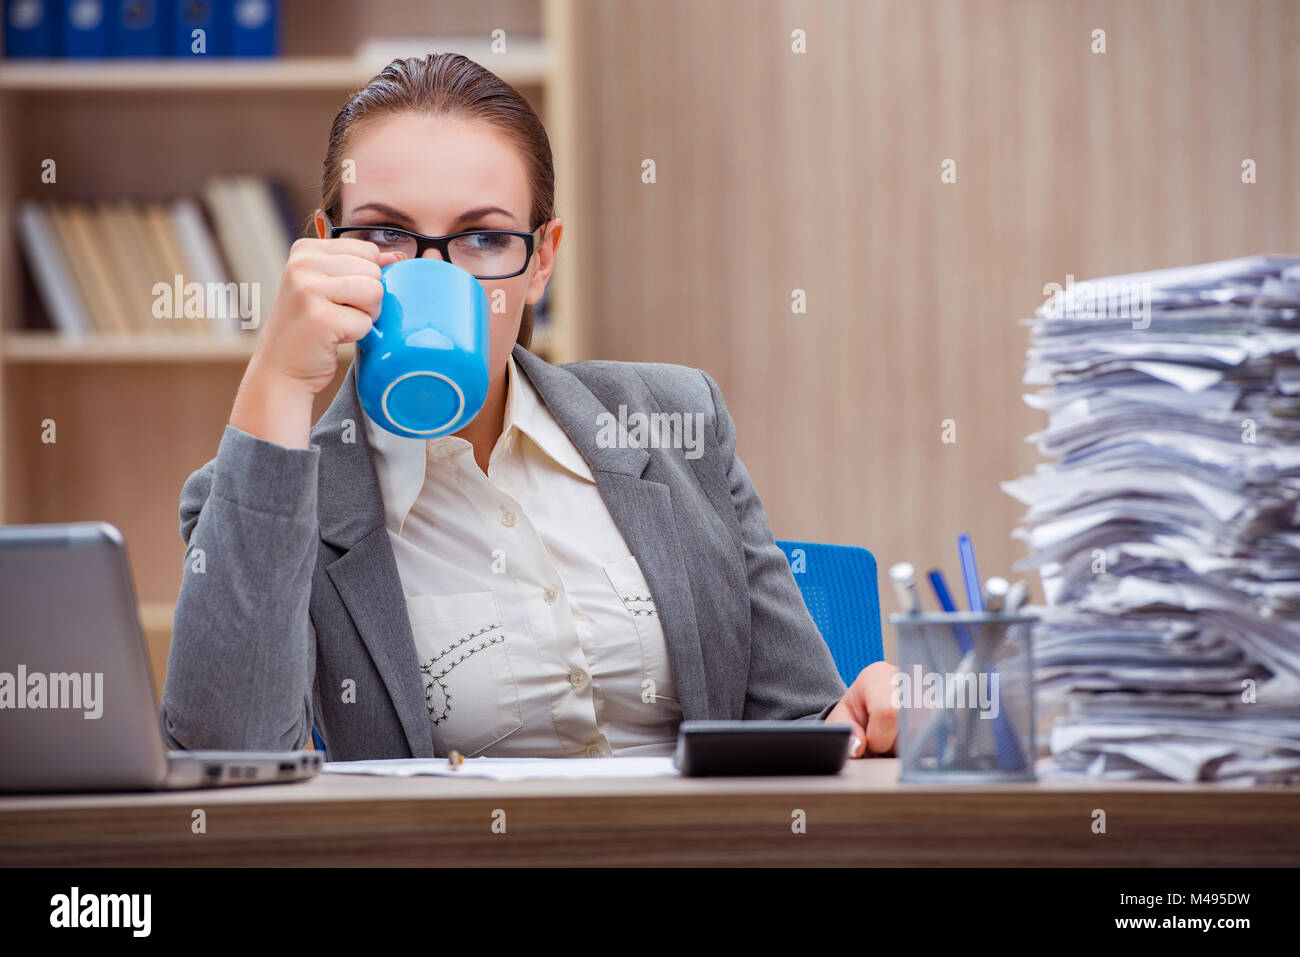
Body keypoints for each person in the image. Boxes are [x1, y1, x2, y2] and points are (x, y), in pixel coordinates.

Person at [160, 53, 898, 763]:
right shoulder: (268, 496)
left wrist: (865, 710)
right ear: (326, 250)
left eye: (484, 237)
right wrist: (281, 379)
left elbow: (799, 722)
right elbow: (230, 758)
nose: (433, 271)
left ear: (540, 259)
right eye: (386, 234)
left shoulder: (677, 422)